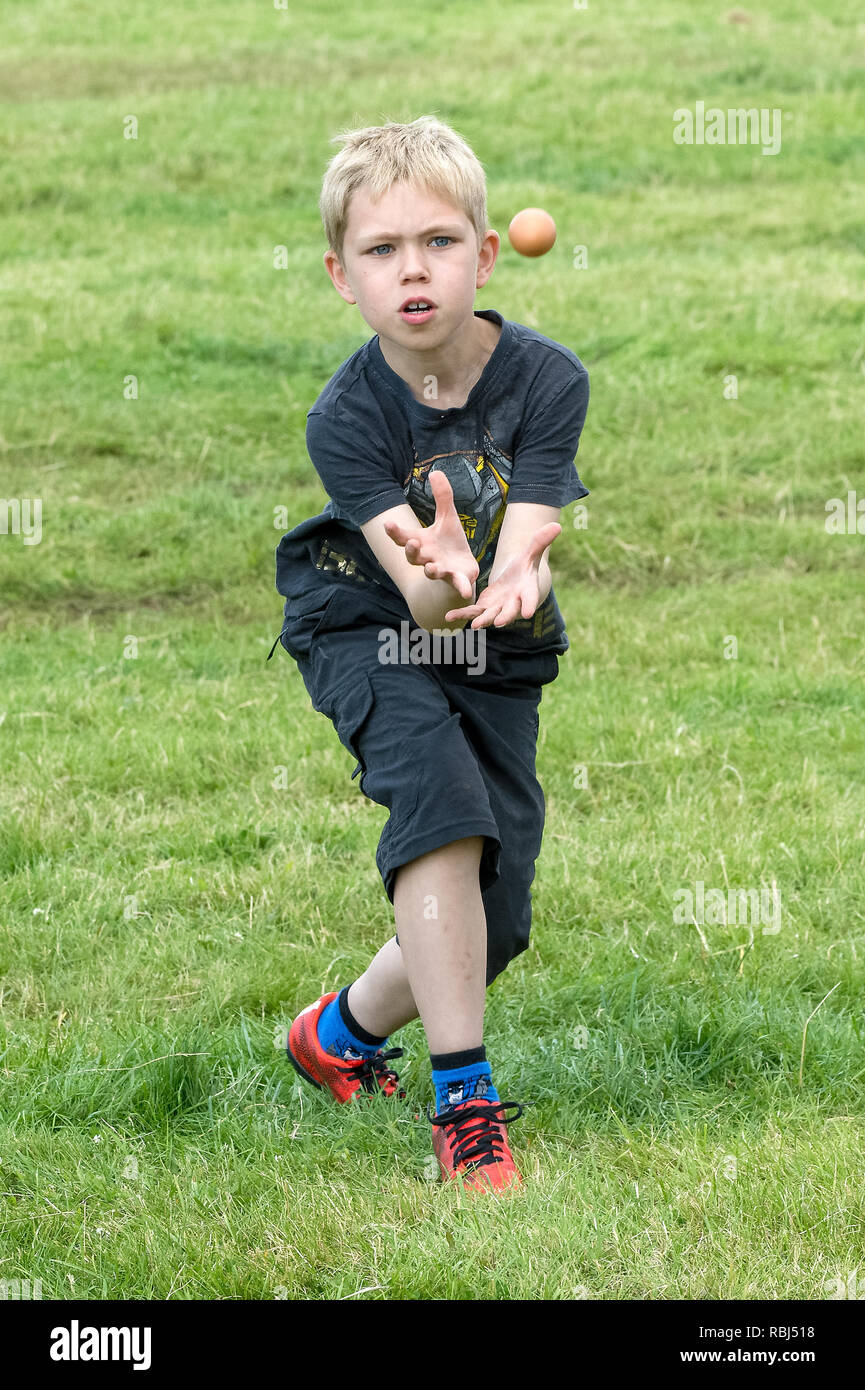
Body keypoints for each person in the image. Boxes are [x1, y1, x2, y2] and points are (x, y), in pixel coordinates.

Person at [270, 115, 590, 1193]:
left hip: (496, 645)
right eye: (381, 250)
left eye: (440, 243)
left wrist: (508, 576)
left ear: (486, 254)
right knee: (443, 810)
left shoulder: (548, 380)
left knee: (489, 929)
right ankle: (468, 1106)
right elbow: (415, 596)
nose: (414, 269)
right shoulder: (345, 417)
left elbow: (531, 546)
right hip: (369, 623)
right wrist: (446, 575)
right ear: (339, 277)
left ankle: (337, 1037)